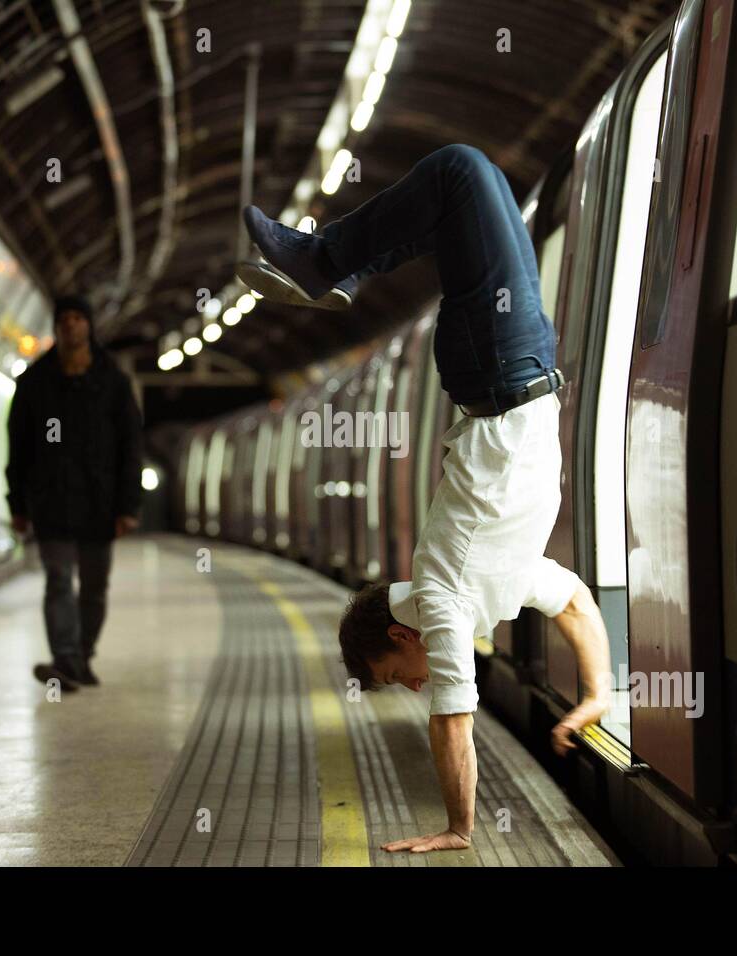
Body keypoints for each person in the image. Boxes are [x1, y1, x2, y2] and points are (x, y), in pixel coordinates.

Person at [238, 143, 613, 854]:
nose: (414, 689)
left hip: (497, 367)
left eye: (395, 677)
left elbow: (451, 720)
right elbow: (574, 603)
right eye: (403, 686)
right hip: (519, 367)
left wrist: (459, 828)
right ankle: (334, 267)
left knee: (461, 171)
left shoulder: (442, 598)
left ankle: (323, 262)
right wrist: (598, 691)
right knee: (471, 189)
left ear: (403, 637)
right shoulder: (493, 590)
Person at [5, 295, 144, 691]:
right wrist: (17, 503)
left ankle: (82, 654)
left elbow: (131, 447)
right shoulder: (33, 383)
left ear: (89, 325)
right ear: (55, 327)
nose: (70, 325)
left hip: (100, 504)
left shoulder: (113, 382)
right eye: (63, 319)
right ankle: (65, 658)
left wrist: (128, 505)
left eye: (77, 318)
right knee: (59, 580)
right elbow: (18, 449)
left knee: (95, 588)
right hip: (52, 502)